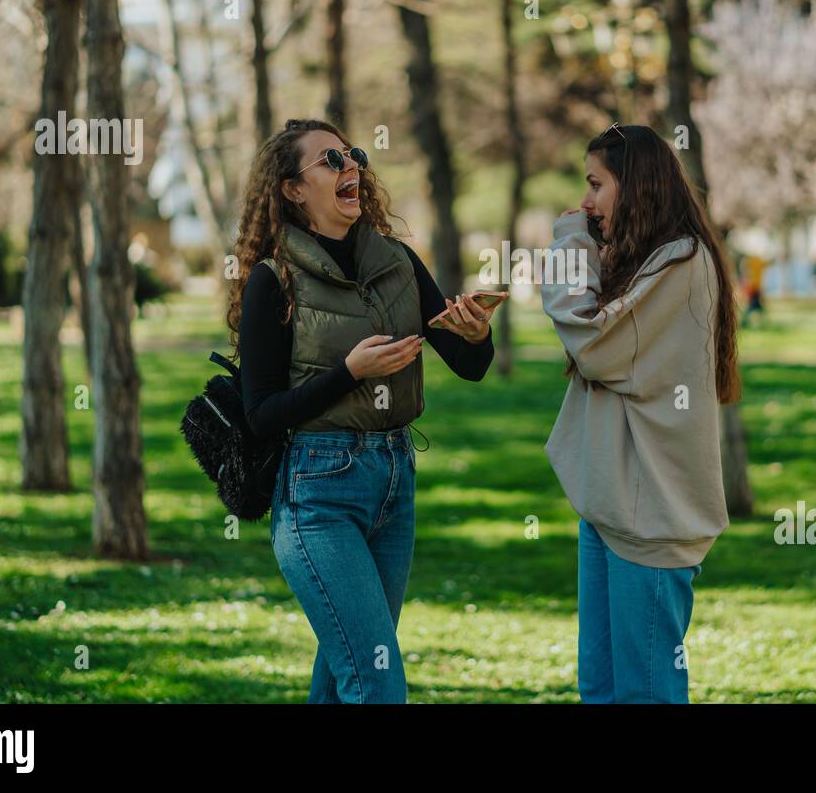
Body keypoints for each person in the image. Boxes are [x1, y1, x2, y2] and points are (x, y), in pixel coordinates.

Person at [227, 118, 501, 703]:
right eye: (331, 160)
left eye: (352, 155)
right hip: (318, 494)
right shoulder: (273, 280)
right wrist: (349, 372)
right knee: (375, 680)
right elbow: (262, 414)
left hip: (394, 482)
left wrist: (477, 333)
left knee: (346, 672)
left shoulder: (398, 261)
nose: (351, 165)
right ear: (293, 189)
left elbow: (468, 363)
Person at [540, 123, 741, 703]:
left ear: (636, 186)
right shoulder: (648, 261)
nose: (585, 202)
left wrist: (570, 241)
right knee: (601, 689)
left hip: (651, 514)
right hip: (612, 505)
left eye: (596, 185)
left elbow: (592, 341)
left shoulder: (680, 262)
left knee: (644, 693)